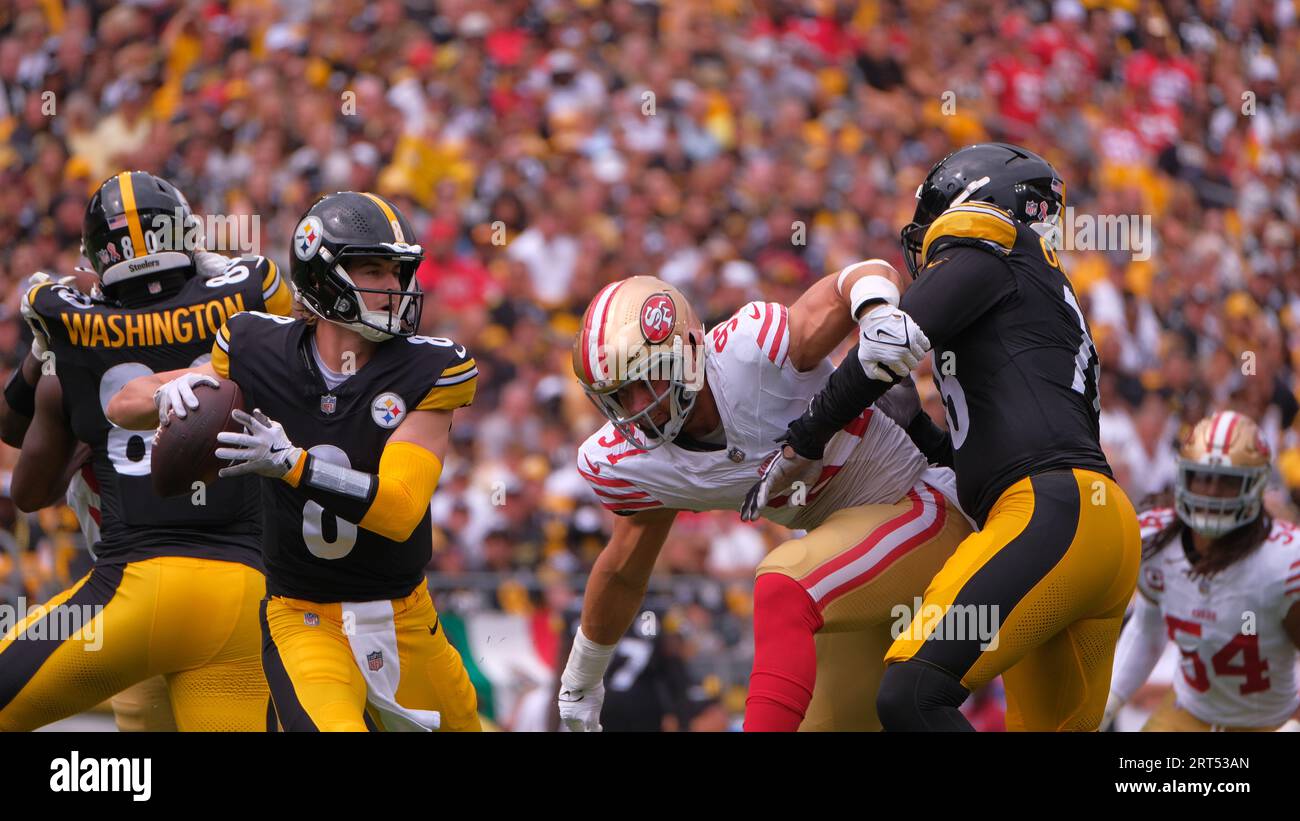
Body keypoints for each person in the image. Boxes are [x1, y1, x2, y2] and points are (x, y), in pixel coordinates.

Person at [749, 143, 1140, 730]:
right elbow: (996, 447)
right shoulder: (1040, 287)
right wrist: (919, 428)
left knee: (911, 694)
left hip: (1045, 516)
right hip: (1096, 530)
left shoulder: (990, 248)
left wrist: (804, 438)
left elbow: (885, 348)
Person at [109, 191, 481, 732]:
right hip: (305, 619)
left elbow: (400, 510)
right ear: (323, 278)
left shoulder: (429, 369)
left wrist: (292, 464)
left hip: (405, 616)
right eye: (375, 269)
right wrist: (168, 395)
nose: (394, 287)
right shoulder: (253, 347)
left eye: (399, 272)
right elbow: (123, 403)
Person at [559, 269, 971, 732]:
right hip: (853, 571)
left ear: (689, 351)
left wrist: (876, 313)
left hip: (924, 508)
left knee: (782, 586)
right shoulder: (629, 460)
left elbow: (855, 279)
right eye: (617, 395)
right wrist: (581, 679)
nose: (636, 406)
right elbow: (623, 571)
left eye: (646, 380)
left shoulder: (748, 353)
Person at [0, 171, 290, 731]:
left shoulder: (71, 327)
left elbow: (23, 469)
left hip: (136, 585)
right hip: (243, 595)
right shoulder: (250, 297)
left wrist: (43, 350)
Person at [1104, 411, 1300, 731]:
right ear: (1183, 476)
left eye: (1227, 480)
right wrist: (1111, 698)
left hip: (1269, 722)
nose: (1210, 491)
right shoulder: (1156, 540)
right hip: (1188, 710)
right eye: (1202, 476)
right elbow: (1147, 627)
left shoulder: (1283, 560)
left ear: (1256, 484)